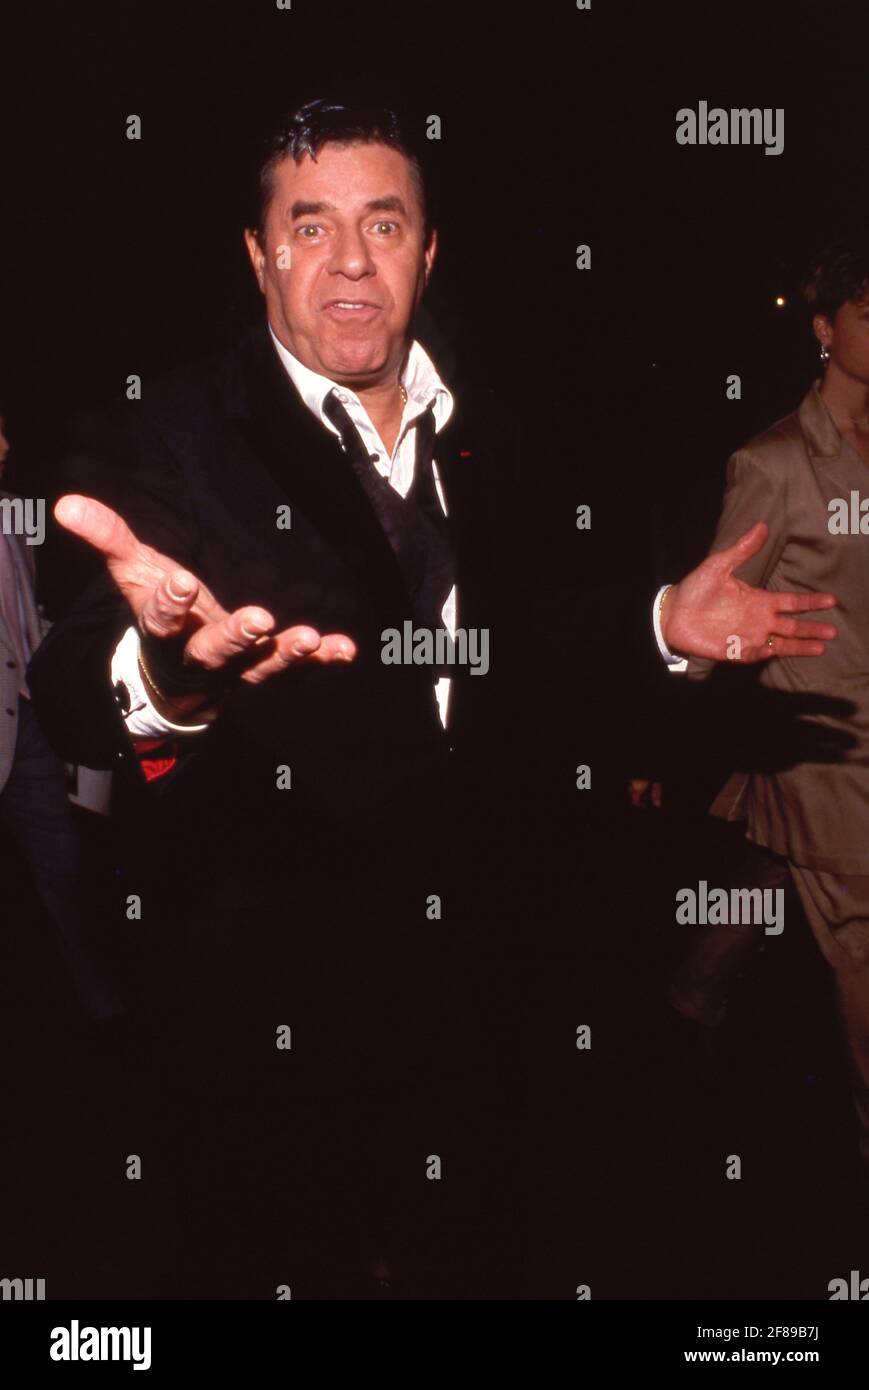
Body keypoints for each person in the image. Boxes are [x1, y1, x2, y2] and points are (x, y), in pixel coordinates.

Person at [664, 235, 869, 1172]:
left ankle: (684, 1015)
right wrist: (655, 718)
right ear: (824, 329)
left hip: (814, 750)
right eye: (867, 312)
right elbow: (711, 621)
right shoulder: (775, 462)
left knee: (766, 873)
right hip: (829, 750)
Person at [0, 407, 122, 1022]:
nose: (3, 444)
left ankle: (95, 1000)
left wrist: (77, 668)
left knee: (64, 869)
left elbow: (27, 620)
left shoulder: (14, 514)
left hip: (28, 728)